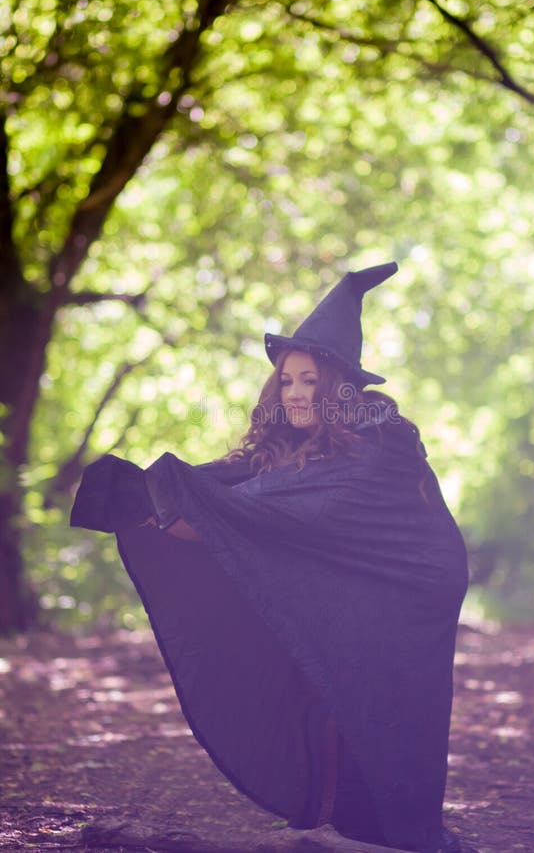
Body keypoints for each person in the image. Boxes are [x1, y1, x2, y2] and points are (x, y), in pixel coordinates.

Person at [71, 263, 469, 853]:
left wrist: (194, 507)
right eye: (287, 382)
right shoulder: (288, 447)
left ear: (338, 385)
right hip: (345, 585)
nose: (297, 394)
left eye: (310, 381)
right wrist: (149, 497)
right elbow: (231, 495)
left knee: (379, 694)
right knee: (315, 671)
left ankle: (392, 828)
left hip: (406, 590)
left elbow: (271, 510)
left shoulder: (378, 438)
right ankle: (335, 815)